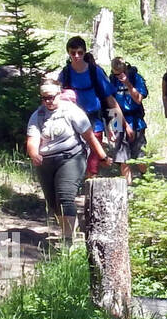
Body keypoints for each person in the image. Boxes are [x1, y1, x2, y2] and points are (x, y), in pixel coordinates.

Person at [26, 79, 112, 246]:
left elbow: (89, 136)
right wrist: (34, 153)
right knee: (53, 202)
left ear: (59, 95)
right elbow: (32, 139)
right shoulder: (38, 115)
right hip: (46, 161)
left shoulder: (72, 111)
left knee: (65, 196)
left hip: (71, 157)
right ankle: (71, 230)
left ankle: (68, 240)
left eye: (51, 97)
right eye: (44, 98)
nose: (48, 101)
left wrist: (102, 157)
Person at [57, 36, 120, 178]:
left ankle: (90, 188)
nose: (76, 56)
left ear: (85, 52)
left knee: (93, 159)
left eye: (79, 52)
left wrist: (118, 126)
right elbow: (55, 96)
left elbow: (110, 99)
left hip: (94, 121)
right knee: (74, 156)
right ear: (68, 53)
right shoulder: (65, 73)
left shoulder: (95, 71)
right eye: (73, 53)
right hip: (72, 122)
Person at [109, 56, 149, 183]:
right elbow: (109, 102)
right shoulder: (111, 80)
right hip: (116, 117)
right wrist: (110, 126)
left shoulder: (136, 78)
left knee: (139, 155)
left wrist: (127, 83)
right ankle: (127, 185)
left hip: (135, 118)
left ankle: (145, 177)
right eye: (116, 74)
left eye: (121, 73)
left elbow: (138, 99)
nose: (119, 76)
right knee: (121, 156)